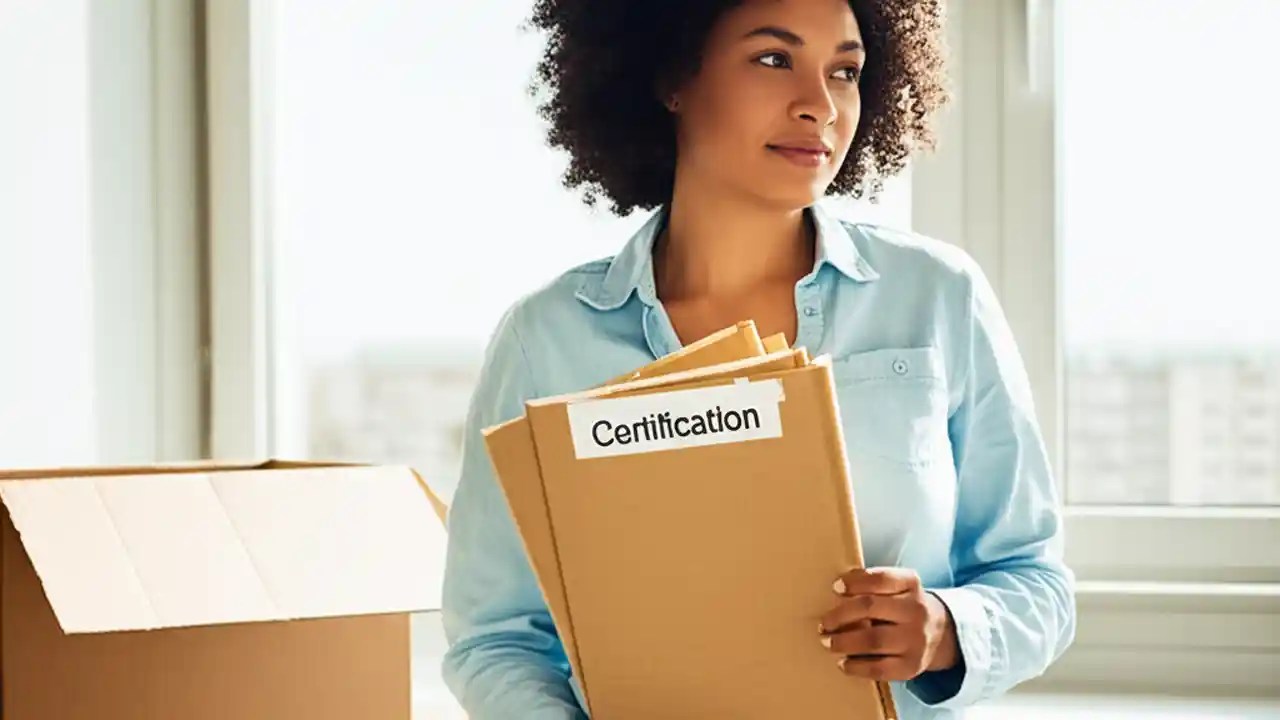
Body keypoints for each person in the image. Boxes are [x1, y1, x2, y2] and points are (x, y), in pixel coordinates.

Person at [441, 0, 1076, 717]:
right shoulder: (545, 339)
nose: (820, 106)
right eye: (774, 59)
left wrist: (943, 631)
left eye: (845, 71)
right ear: (672, 76)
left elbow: (1037, 582)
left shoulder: (937, 298)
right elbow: (494, 638)